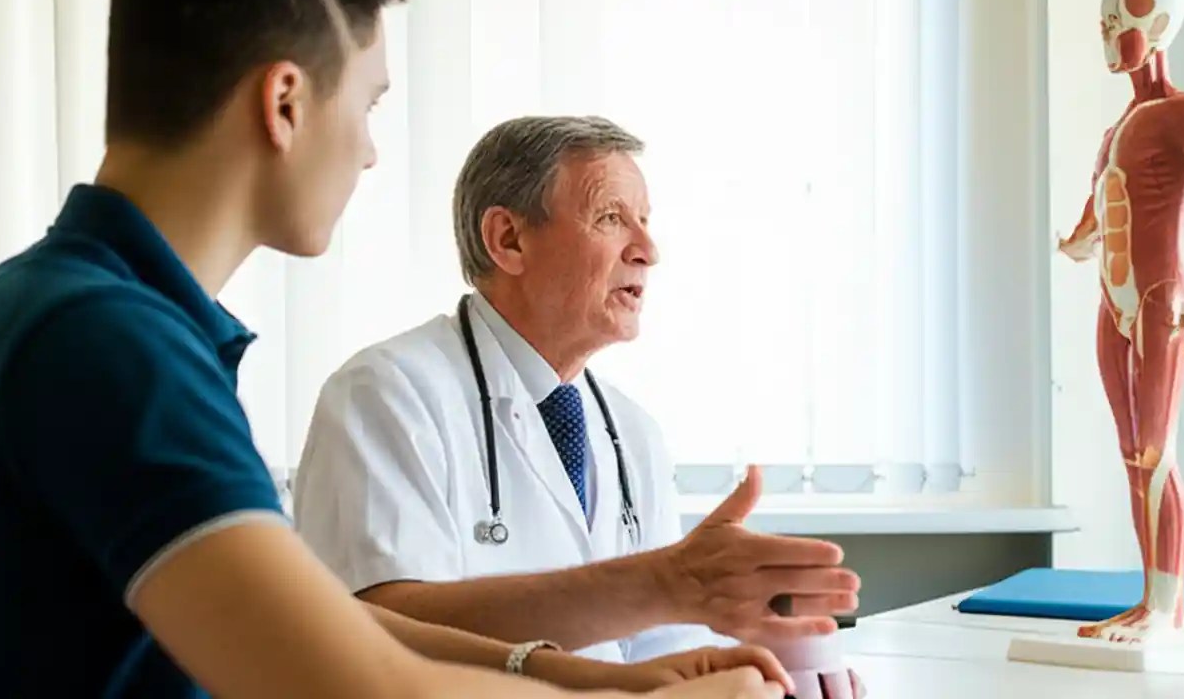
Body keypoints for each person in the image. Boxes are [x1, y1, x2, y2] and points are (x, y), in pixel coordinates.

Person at [0, 0, 795, 697]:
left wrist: (582, 672)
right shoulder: (113, 346)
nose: (372, 153)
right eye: (369, 105)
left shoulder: (70, 310)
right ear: (285, 104)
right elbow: (349, 682)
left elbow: (336, 627)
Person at [293, 115, 863, 693]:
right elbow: (370, 631)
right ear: (508, 240)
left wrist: (777, 665)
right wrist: (661, 584)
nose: (647, 250)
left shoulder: (632, 431)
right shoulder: (387, 393)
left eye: (645, 222)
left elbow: (664, 648)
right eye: (612, 218)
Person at [1057, 0, 1184, 644]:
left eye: (1122, 20)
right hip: (1117, 301)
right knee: (1133, 453)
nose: (1110, 35)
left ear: (1160, 27)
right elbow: (1101, 215)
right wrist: (1076, 241)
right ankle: (1148, 601)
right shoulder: (1116, 130)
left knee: (1159, 452)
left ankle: (1169, 609)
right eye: (1104, 23)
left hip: (1167, 297)